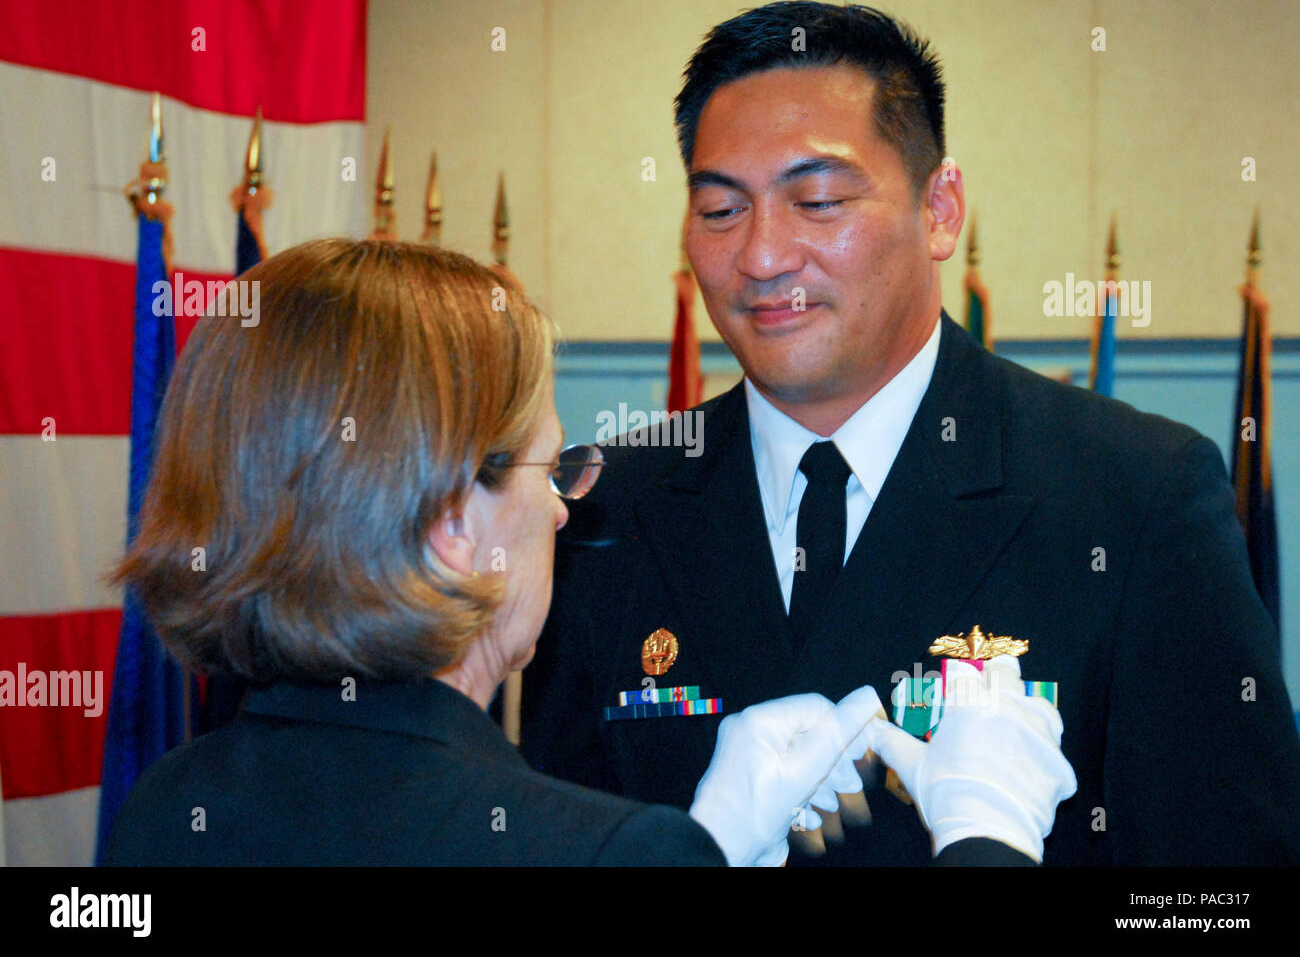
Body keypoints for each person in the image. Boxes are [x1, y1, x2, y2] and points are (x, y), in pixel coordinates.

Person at [521, 1, 1300, 866]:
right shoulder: (604, 507)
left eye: (817, 200)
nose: (763, 256)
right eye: (719, 211)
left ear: (940, 209)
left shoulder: (1132, 496)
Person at [103, 239, 1074, 866]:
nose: (564, 513)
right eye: (547, 469)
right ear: (452, 522)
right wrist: (986, 834)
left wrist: (714, 847)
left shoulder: (168, 808)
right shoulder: (594, 851)